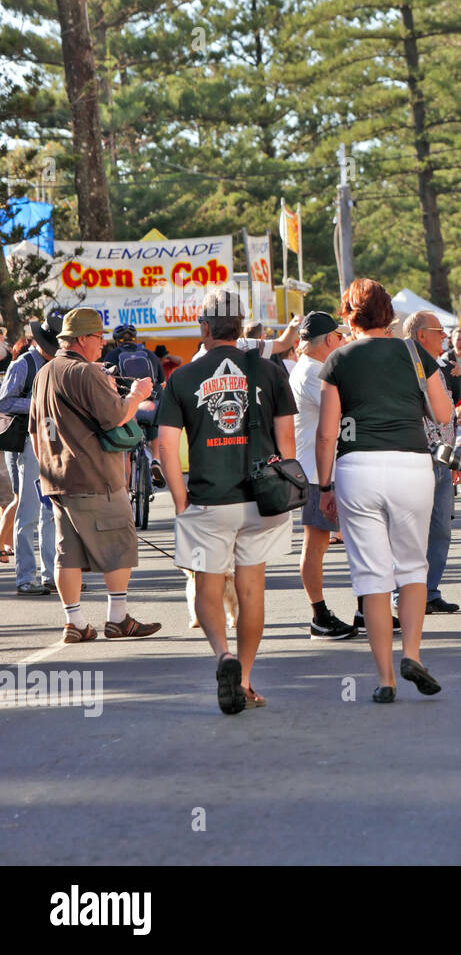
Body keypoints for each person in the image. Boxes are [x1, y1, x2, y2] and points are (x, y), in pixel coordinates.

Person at [316, 279, 452, 703]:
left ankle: (386, 679)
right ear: (389, 314)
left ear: (350, 314)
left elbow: (326, 434)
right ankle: (412, 652)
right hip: (412, 464)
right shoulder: (415, 353)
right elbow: (444, 413)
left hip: (358, 468)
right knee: (412, 569)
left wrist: (325, 485)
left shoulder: (338, 359)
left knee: (372, 577)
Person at [157, 292, 295, 712]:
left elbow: (165, 448)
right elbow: (287, 442)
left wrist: (180, 503)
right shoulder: (271, 373)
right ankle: (248, 680)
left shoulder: (181, 378)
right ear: (240, 328)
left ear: (204, 329)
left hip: (207, 499)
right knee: (252, 591)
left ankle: (224, 655)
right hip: (262, 500)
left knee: (208, 585)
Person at [29, 307, 162, 645]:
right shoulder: (84, 372)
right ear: (82, 339)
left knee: (67, 553)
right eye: (99, 336)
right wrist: (137, 395)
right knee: (119, 543)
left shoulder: (45, 372)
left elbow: (33, 430)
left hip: (55, 475)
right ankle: (118, 619)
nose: (103, 343)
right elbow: (116, 416)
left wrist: (48, 467)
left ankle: (74, 622)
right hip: (93, 475)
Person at [289, 311, 357, 639]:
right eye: (340, 337)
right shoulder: (314, 372)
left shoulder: (309, 368)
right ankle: (319, 616)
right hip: (316, 472)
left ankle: (363, 608)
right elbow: (343, 409)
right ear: (329, 340)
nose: (342, 342)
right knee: (316, 545)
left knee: (340, 541)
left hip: (318, 468)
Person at [404, 309, 461, 614]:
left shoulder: (437, 366)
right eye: (440, 332)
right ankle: (406, 596)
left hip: (441, 459)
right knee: (412, 532)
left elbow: (446, 417)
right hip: (414, 458)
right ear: (422, 335)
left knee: (440, 528)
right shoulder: (403, 364)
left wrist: (453, 457)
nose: (444, 337)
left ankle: (429, 591)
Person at [2, 316, 57, 595]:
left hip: (51, 441)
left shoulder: (52, 363)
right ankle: (26, 577)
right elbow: (3, 401)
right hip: (27, 443)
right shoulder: (22, 364)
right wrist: (38, 403)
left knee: (50, 511)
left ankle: (51, 574)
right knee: (29, 511)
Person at [102, 323, 166, 488]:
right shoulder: (149, 354)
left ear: (117, 342)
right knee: (153, 423)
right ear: (135, 339)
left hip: (129, 407)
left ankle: (126, 486)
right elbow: (162, 383)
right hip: (151, 404)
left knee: (128, 446)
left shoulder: (112, 355)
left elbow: (107, 384)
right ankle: (156, 461)